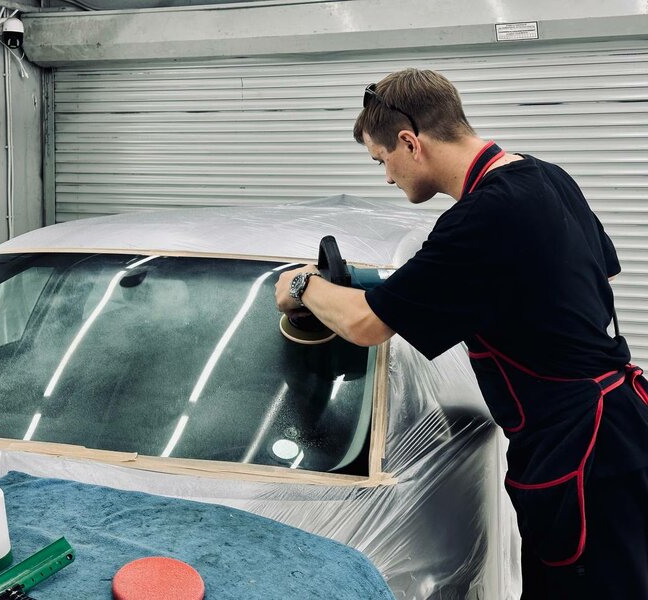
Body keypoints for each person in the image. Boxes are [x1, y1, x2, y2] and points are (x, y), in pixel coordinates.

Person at [274, 68, 648, 599]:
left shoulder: (481, 217)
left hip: (577, 452)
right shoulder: (544, 176)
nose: (387, 178)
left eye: (382, 160)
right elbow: (583, 275)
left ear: (410, 142)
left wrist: (303, 285)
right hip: (618, 427)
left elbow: (365, 325)